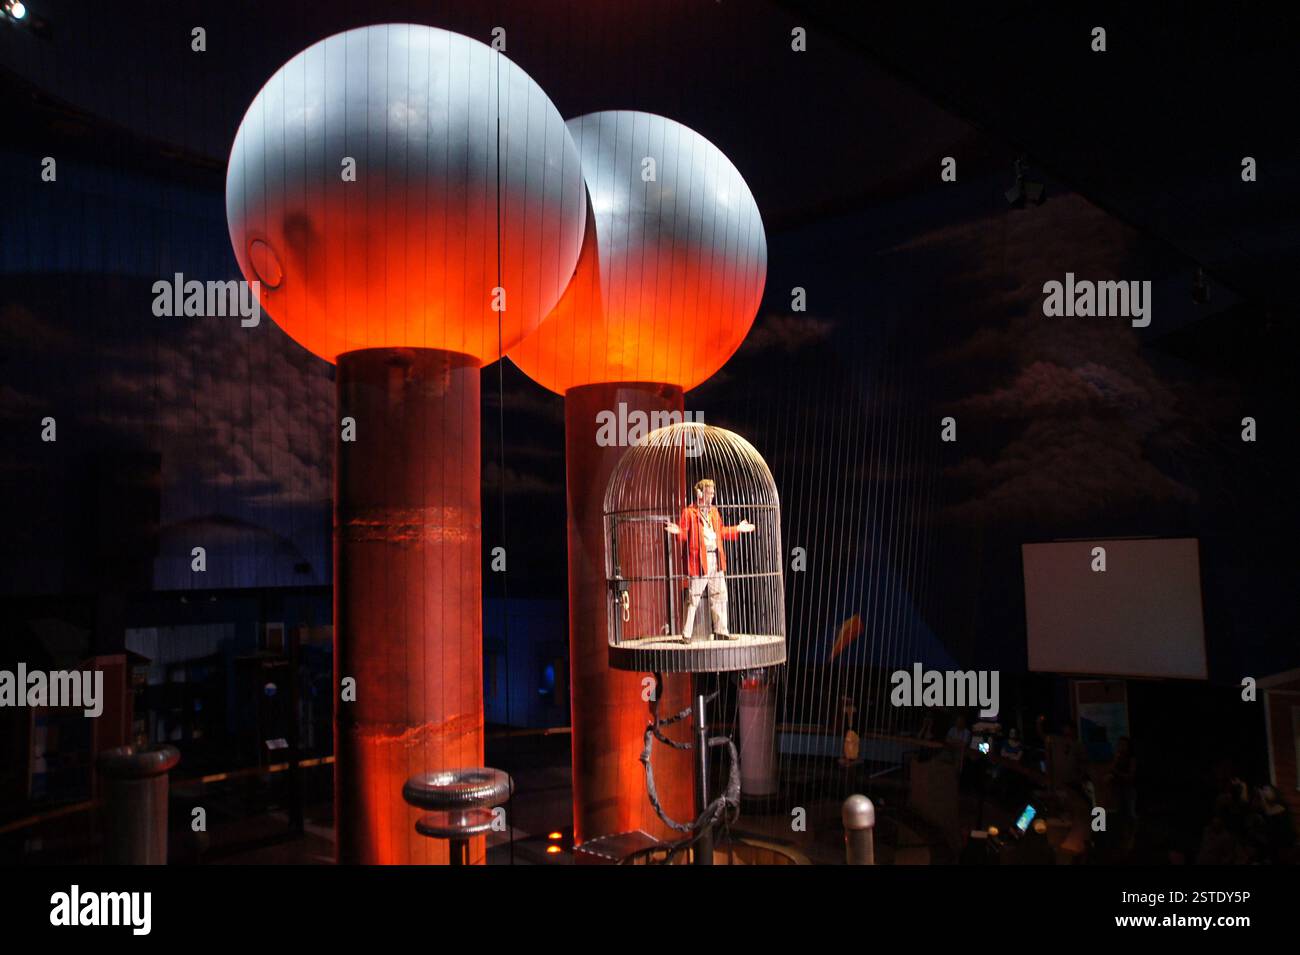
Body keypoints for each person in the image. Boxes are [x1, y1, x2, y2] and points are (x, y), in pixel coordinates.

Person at [664, 478, 754, 643]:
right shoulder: (689, 512)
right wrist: (677, 532)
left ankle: (721, 631)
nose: (712, 496)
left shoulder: (713, 512)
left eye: (713, 493)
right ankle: (686, 634)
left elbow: (720, 531)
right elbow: (684, 533)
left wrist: (737, 529)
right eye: (709, 493)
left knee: (719, 594)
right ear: (700, 493)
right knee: (694, 597)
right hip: (700, 560)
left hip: (716, 557)